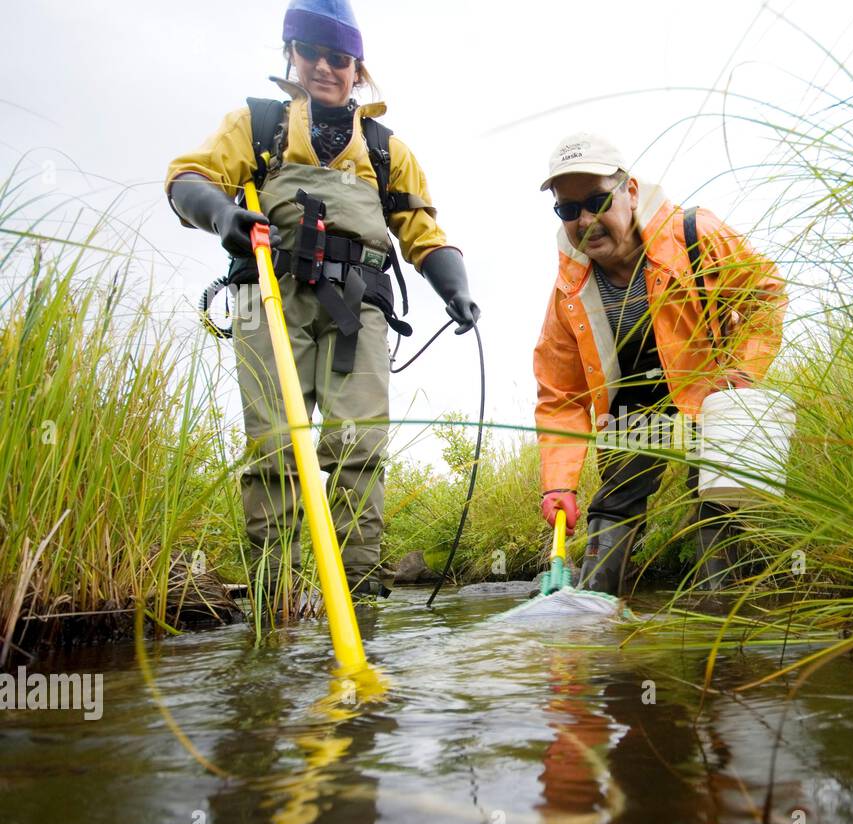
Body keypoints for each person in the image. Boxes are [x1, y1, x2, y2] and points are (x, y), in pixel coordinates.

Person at [164, 0, 480, 616]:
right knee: (276, 447)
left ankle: (359, 601)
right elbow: (185, 180)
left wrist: (455, 286)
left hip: (358, 309)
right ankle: (272, 604)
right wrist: (223, 213)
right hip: (270, 299)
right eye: (311, 52)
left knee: (359, 450)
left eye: (339, 58)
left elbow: (423, 232)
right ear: (292, 55)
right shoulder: (256, 126)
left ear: (357, 68)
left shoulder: (388, 149)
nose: (325, 67)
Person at [533, 133, 786, 595]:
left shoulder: (696, 233)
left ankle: (722, 623)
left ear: (629, 192)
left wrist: (742, 372)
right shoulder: (568, 289)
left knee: (717, 501)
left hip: (708, 391)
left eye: (596, 201)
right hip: (629, 401)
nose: (585, 220)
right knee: (614, 504)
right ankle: (592, 618)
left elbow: (764, 293)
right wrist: (558, 483)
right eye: (569, 210)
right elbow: (560, 395)